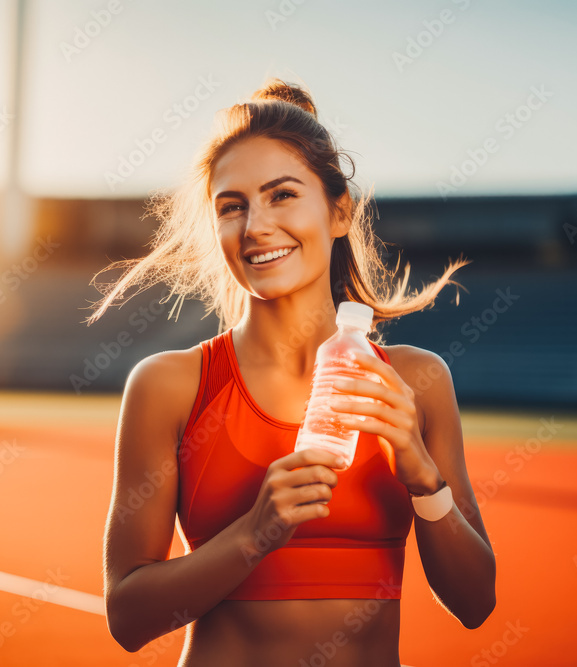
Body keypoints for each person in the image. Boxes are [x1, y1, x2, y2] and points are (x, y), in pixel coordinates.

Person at [88, 78, 496, 667]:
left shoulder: (418, 381)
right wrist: (253, 534)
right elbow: (127, 616)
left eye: (281, 195)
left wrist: (424, 478)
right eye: (232, 206)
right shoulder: (169, 385)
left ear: (339, 212)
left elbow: (476, 602)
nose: (255, 225)